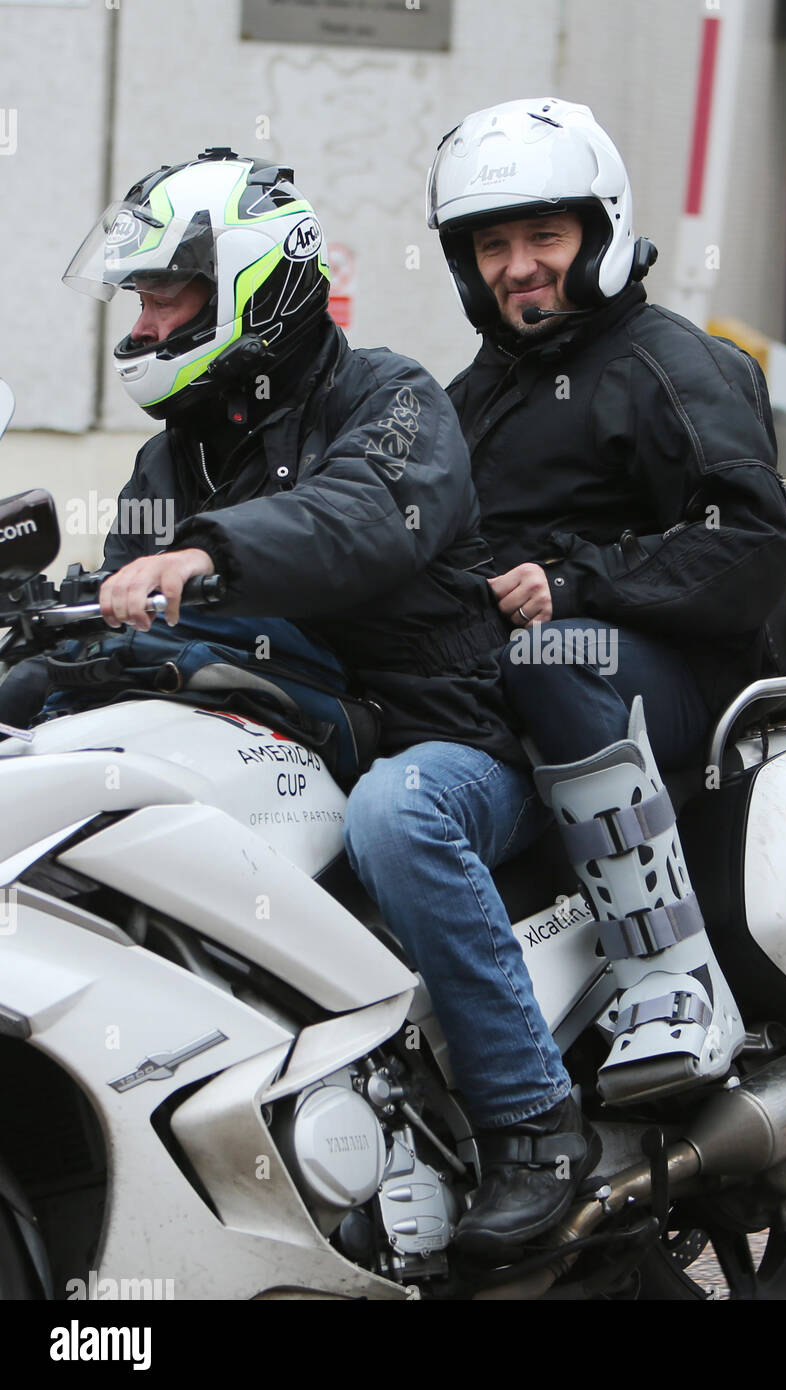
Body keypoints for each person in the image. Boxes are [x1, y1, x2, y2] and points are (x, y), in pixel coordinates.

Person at [42, 150, 597, 1258]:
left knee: (400, 814)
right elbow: (116, 623)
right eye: (141, 298)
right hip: (285, 745)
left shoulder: (389, 403)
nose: (146, 324)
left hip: (448, 743)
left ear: (250, 287)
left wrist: (206, 554)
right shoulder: (172, 461)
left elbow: (359, 519)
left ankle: (533, 1123)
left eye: (168, 295)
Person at [427, 99, 786, 1109]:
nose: (517, 266)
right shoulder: (478, 393)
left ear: (598, 232)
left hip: (678, 678)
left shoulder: (670, 367)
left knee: (545, 655)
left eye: (542, 235)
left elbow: (750, 544)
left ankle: (670, 974)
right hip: (539, 683)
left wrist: (577, 582)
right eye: (492, 244)